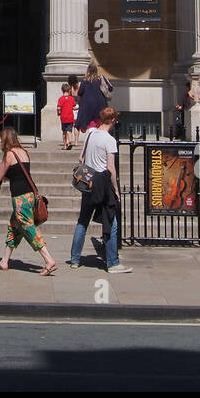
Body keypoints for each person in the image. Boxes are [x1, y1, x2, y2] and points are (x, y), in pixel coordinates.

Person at [0, 127, 57, 275]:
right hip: (30, 195)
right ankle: (4, 261)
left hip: (20, 198)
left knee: (29, 228)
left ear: (6, 139)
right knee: (14, 227)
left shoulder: (9, 154)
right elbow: (18, 175)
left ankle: (49, 260)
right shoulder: (24, 152)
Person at [67, 107, 131, 273]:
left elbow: (81, 157)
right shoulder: (109, 140)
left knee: (83, 221)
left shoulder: (90, 133)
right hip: (102, 183)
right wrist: (116, 189)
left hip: (88, 181)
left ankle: (74, 259)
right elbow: (111, 168)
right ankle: (113, 262)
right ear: (111, 121)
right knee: (110, 222)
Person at [75, 62, 113, 135]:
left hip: (88, 107)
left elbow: (80, 93)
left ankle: (92, 138)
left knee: (90, 125)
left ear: (88, 70)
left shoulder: (85, 81)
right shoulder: (101, 79)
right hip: (100, 105)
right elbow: (110, 88)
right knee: (100, 123)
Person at [57, 82, 78, 150]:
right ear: (69, 90)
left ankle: (65, 145)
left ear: (62, 90)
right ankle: (69, 141)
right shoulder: (71, 99)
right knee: (69, 131)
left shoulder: (60, 99)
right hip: (70, 117)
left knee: (64, 132)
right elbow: (74, 107)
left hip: (63, 117)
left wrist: (59, 113)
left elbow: (59, 108)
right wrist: (79, 107)